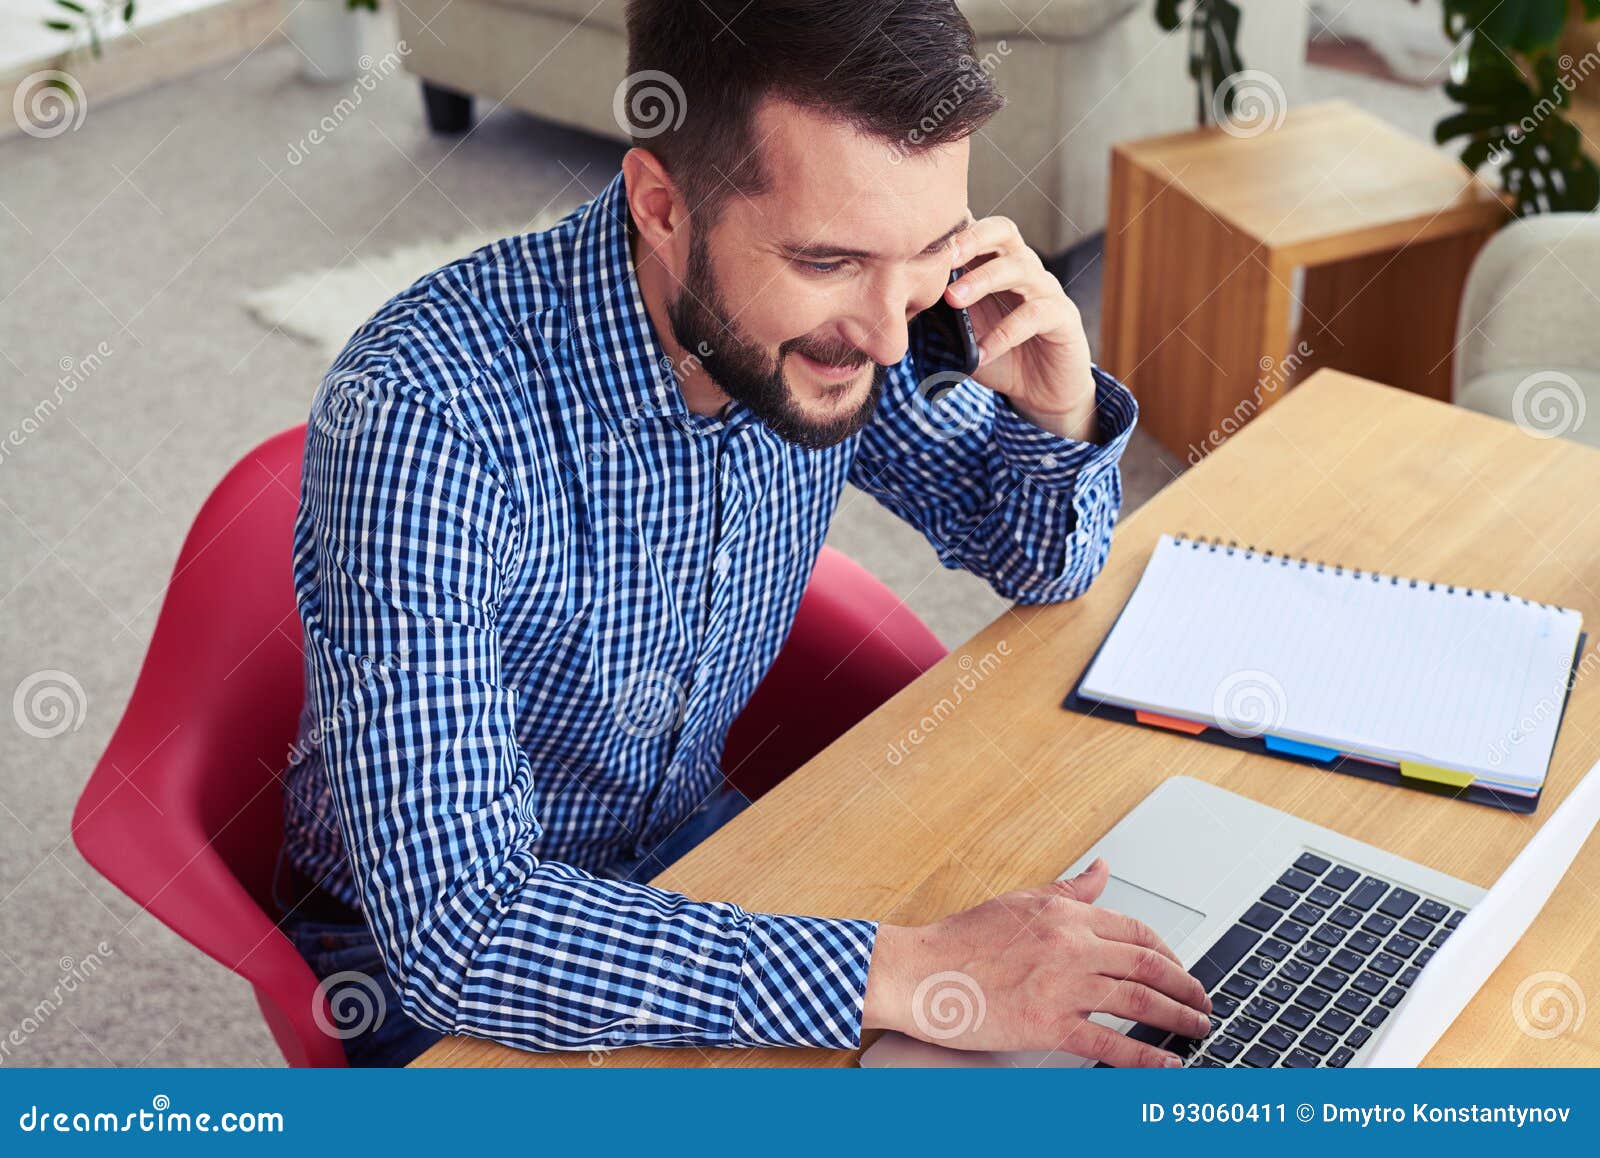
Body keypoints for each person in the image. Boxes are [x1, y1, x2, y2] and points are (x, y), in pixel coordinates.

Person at [275, 0, 1211, 1068]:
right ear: (663, 207)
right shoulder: (424, 416)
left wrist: (1058, 413)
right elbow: (461, 930)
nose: (894, 330)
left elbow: (1040, 561)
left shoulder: (861, 315)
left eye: (926, 252)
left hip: (694, 842)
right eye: (828, 260)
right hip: (432, 968)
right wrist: (911, 972)